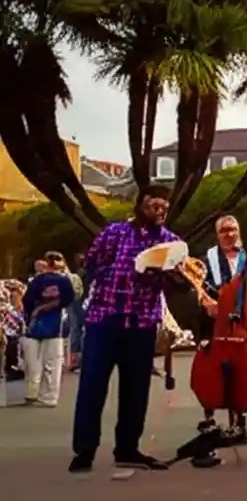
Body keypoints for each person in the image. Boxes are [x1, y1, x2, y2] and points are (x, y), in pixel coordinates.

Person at [70, 185, 178, 473]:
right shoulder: (115, 233)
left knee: (136, 390)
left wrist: (162, 277)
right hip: (104, 320)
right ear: (140, 206)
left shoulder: (169, 243)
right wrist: (123, 271)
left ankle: (128, 449)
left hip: (141, 324)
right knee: (92, 386)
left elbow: (177, 285)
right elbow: (92, 263)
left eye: (164, 208)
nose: (159, 212)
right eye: (154, 206)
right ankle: (84, 451)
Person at [195, 215, 247, 442]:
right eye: (224, 231)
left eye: (233, 229)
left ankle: (240, 424)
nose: (229, 234)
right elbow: (196, 285)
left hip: (243, 324)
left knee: (242, 371)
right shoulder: (207, 258)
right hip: (214, 324)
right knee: (211, 371)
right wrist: (205, 301)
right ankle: (210, 423)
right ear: (217, 235)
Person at [21, 252, 74, 407]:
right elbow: (69, 299)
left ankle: (33, 391)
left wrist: (34, 312)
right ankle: (51, 396)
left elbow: (27, 301)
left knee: (33, 362)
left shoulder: (37, 281)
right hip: (56, 324)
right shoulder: (65, 281)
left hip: (36, 324)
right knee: (53, 362)